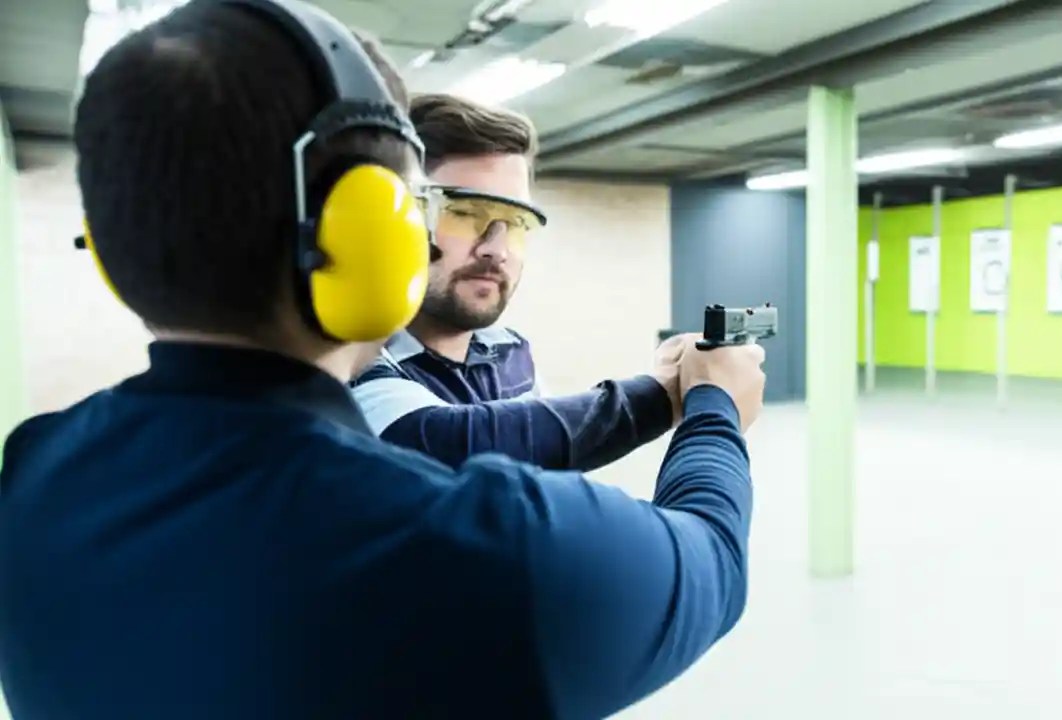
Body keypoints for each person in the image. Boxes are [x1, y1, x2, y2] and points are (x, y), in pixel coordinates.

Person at [0, 1, 767, 719]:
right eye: (432, 212)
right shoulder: (486, 551)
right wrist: (713, 407)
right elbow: (713, 560)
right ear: (382, 232)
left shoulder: (31, 471)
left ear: (115, 243)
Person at [351, 93, 682, 471]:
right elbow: (454, 444)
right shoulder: (353, 360)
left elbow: (542, 459)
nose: (497, 249)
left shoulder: (509, 352)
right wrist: (667, 393)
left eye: (516, 222)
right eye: (464, 214)